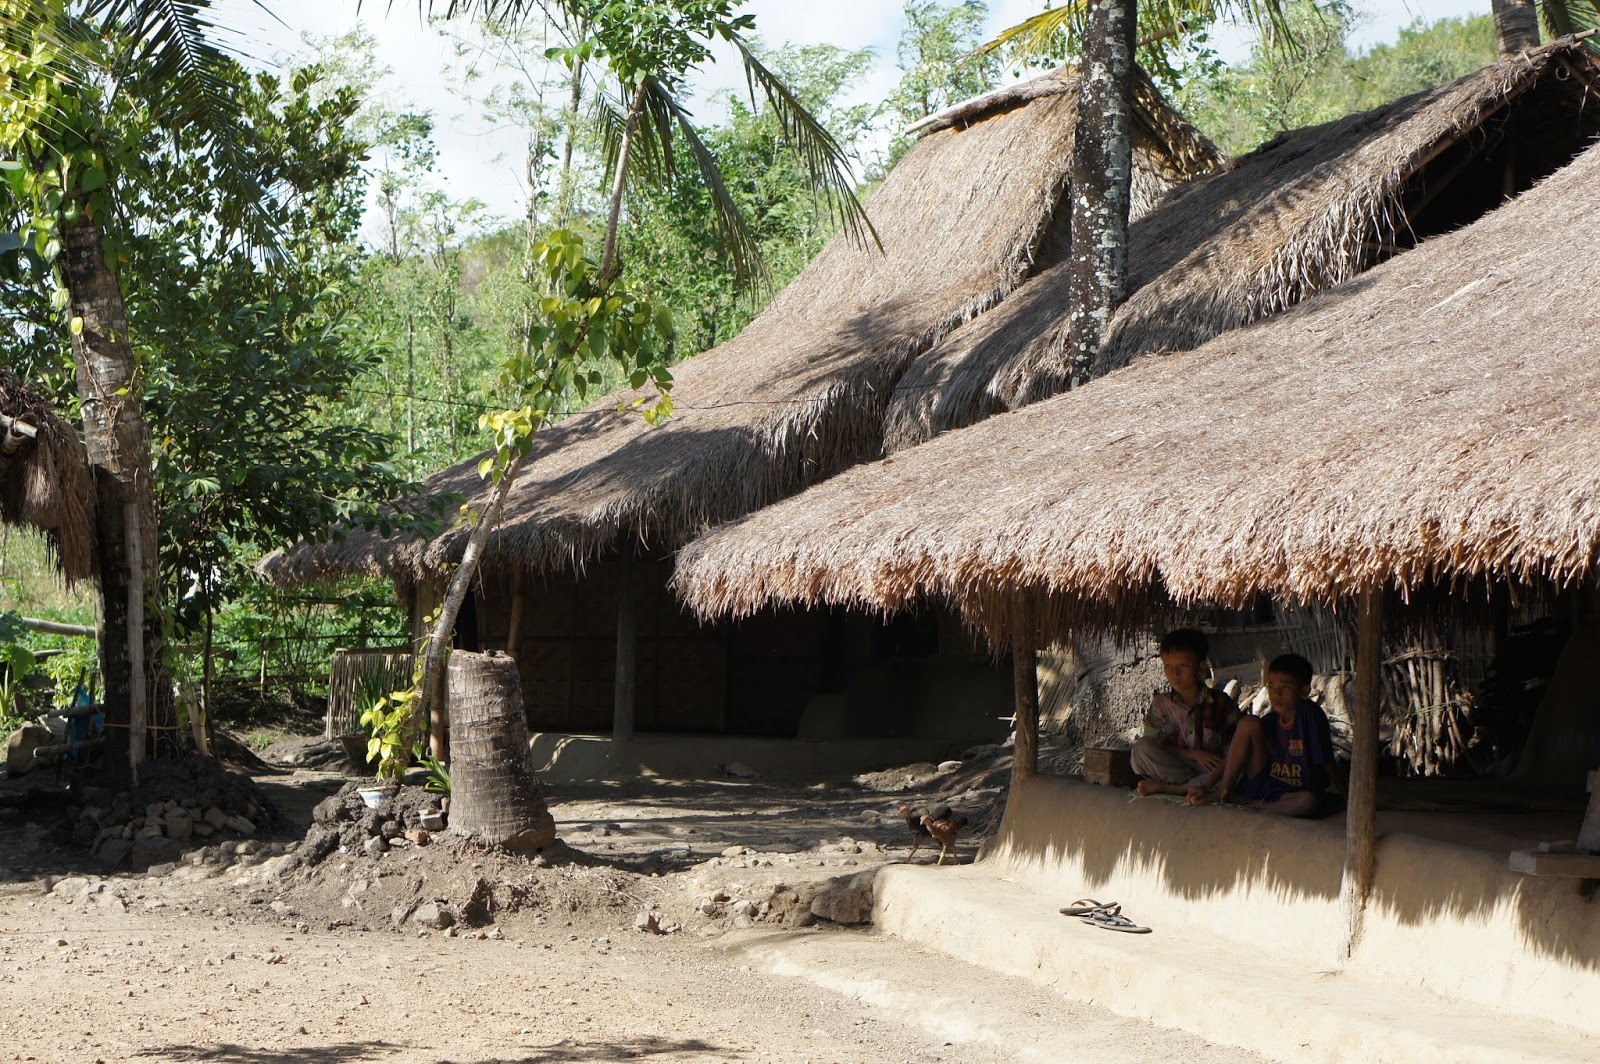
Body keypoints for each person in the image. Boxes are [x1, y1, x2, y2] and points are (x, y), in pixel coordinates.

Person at [1186, 652, 1338, 818]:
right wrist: (1207, 786)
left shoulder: (1309, 715)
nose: (1276, 693)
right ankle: (1224, 792)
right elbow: (1233, 756)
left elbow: (1326, 760)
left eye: (1285, 687)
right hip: (1265, 785)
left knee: (1309, 802)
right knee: (1248, 722)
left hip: (1294, 793)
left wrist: (1346, 795)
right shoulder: (1271, 720)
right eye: (1271, 686)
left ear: (1304, 691)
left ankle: (1247, 802)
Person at [1131, 629, 1240, 797]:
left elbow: (1238, 746)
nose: (1175, 674)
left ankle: (1175, 788)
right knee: (1141, 748)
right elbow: (1154, 746)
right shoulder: (1160, 704)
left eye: (1182, 666)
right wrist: (1194, 754)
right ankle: (1193, 786)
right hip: (1174, 766)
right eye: (1168, 666)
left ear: (1200, 667)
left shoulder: (1220, 702)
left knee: (1236, 773)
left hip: (1211, 771)